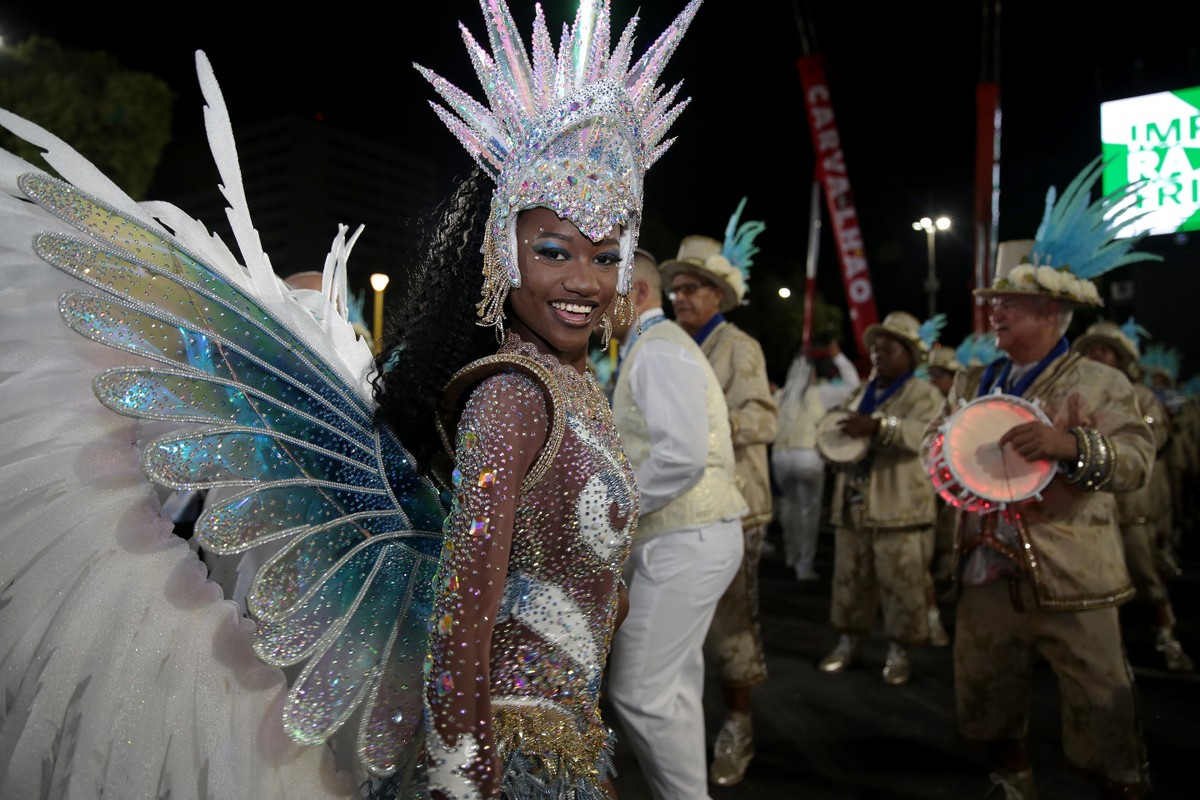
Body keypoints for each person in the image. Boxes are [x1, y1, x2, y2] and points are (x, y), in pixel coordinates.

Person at [0, 2, 703, 799]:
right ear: (504, 251)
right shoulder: (512, 395)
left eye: (605, 255)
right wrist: (464, 780)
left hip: (570, 741)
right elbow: (458, 629)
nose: (583, 279)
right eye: (554, 251)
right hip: (511, 758)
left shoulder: (573, 387)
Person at [928, 158, 1160, 800]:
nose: (995, 312)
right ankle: (1013, 778)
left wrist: (1069, 445)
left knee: (1102, 708)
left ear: (1055, 311)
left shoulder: (1098, 382)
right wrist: (936, 453)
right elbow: (942, 451)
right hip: (984, 567)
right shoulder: (977, 382)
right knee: (987, 691)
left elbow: (1138, 461)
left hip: (1074, 574)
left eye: (1011, 303)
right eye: (993, 302)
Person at [605, 248, 747, 800]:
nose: (589, 297)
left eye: (603, 283)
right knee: (674, 686)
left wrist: (615, 508)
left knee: (640, 689)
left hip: (688, 538)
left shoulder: (658, 350)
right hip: (687, 537)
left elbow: (682, 457)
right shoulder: (651, 346)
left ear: (636, 294)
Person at [660, 198, 778, 787]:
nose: (681, 296)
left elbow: (762, 420)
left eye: (693, 287)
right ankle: (685, 727)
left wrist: (694, 428)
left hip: (735, 507)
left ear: (718, 296)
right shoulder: (669, 345)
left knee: (731, 623)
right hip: (680, 509)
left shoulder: (740, 347)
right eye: (677, 287)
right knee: (679, 624)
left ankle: (738, 723)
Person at [815, 311, 946, 685]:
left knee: (902, 582)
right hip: (854, 505)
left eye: (888, 348)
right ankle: (848, 642)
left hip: (901, 506)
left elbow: (929, 437)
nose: (878, 354)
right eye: (875, 348)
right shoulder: (861, 392)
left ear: (909, 354)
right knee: (849, 580)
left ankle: (900, 650)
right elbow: (839, 432)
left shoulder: (925, 394)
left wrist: (879, 427)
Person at [1072, 320, 1194, 672]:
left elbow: (1152, 443)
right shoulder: (1077, 393)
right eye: (1092, 349)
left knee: (1144, 571)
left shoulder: (1141, 397)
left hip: (1132, 505)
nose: (1097, 355)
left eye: (1105, 350)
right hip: (1088, 508)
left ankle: (1166, 635)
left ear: (1122, 359)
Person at [772, 339, 860, 581]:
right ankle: (804, 565)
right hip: (806, 455)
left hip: (780, 456)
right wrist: (839, 357)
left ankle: (791, 555)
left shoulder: (780, 396)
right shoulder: (820, 393)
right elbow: (853, 385)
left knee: (790, 506)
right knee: (809, 512)